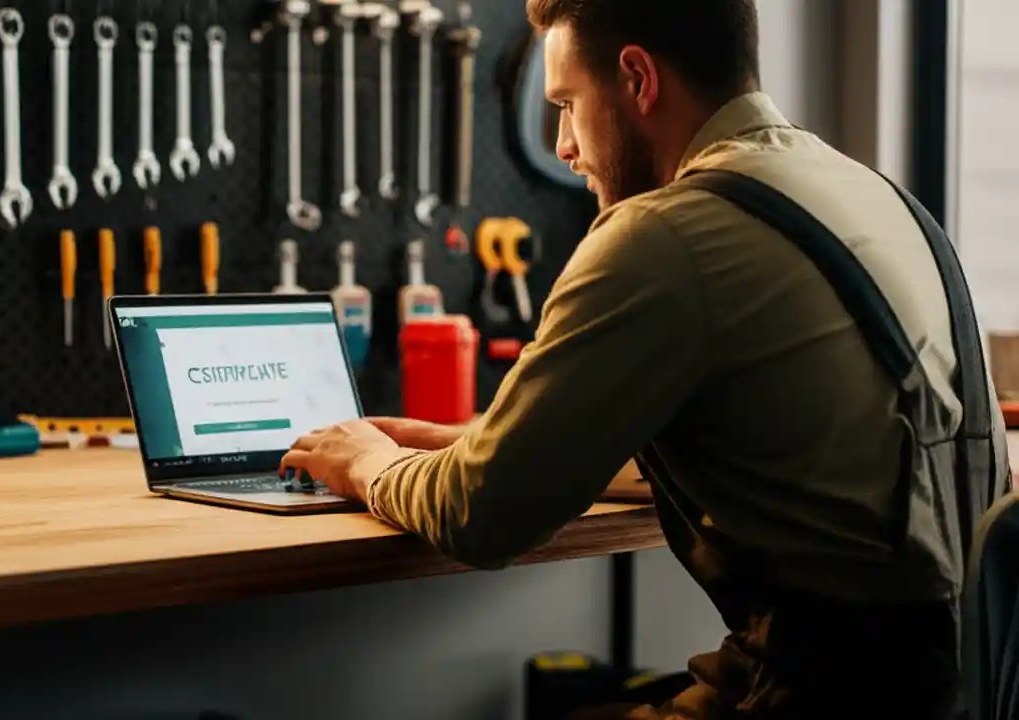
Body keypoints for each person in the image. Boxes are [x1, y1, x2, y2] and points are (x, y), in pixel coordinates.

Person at [279, 1, 1010, 718]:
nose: (564, 146)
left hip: (817, 693)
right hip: (949, 687)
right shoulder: (877, 198)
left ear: (637, 78)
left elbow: (480, 516)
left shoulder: (665, 236)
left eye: (567, 104)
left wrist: (367, 463)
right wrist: (494, 447)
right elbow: (803, 462)